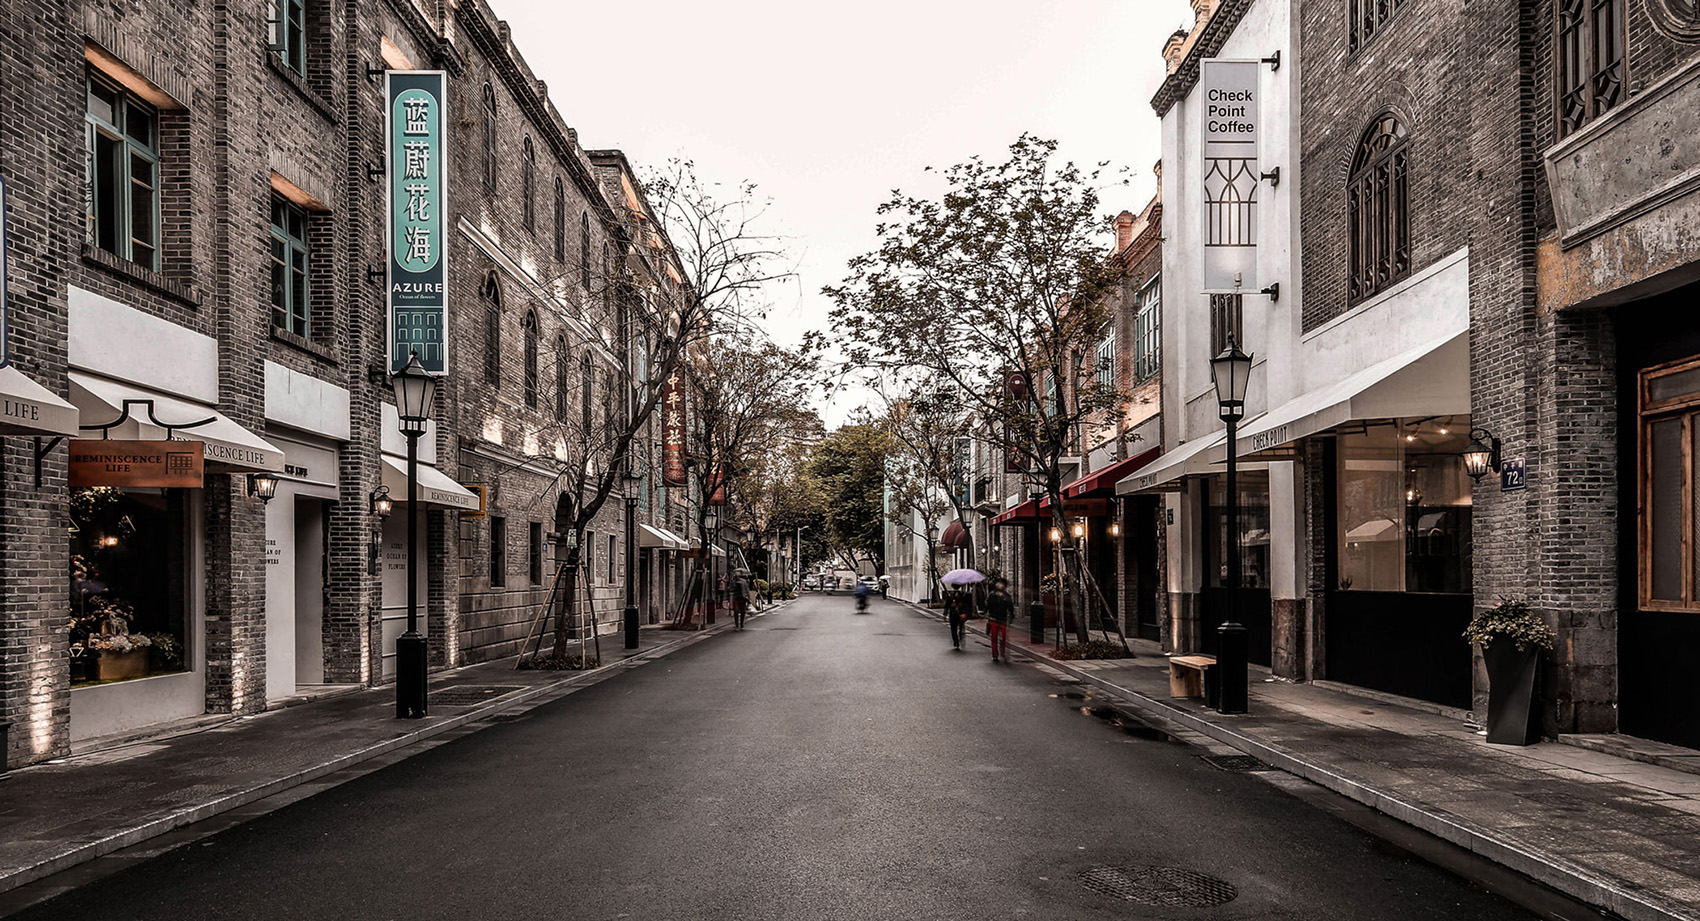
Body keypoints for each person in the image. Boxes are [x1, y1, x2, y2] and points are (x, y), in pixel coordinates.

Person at [985, 578, 1014, 662]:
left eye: (1002, 584)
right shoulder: (992, 595)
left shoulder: (1007, 596)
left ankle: (1002, 651)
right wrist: (985, 612)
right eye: (998, 583)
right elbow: (987, 605)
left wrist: (1011, 615)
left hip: (1002, 619)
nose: (1000, 585)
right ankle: (995, 654)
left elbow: (1010, 607)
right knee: (994, 637)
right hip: (993, 618)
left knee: (1003, 636)